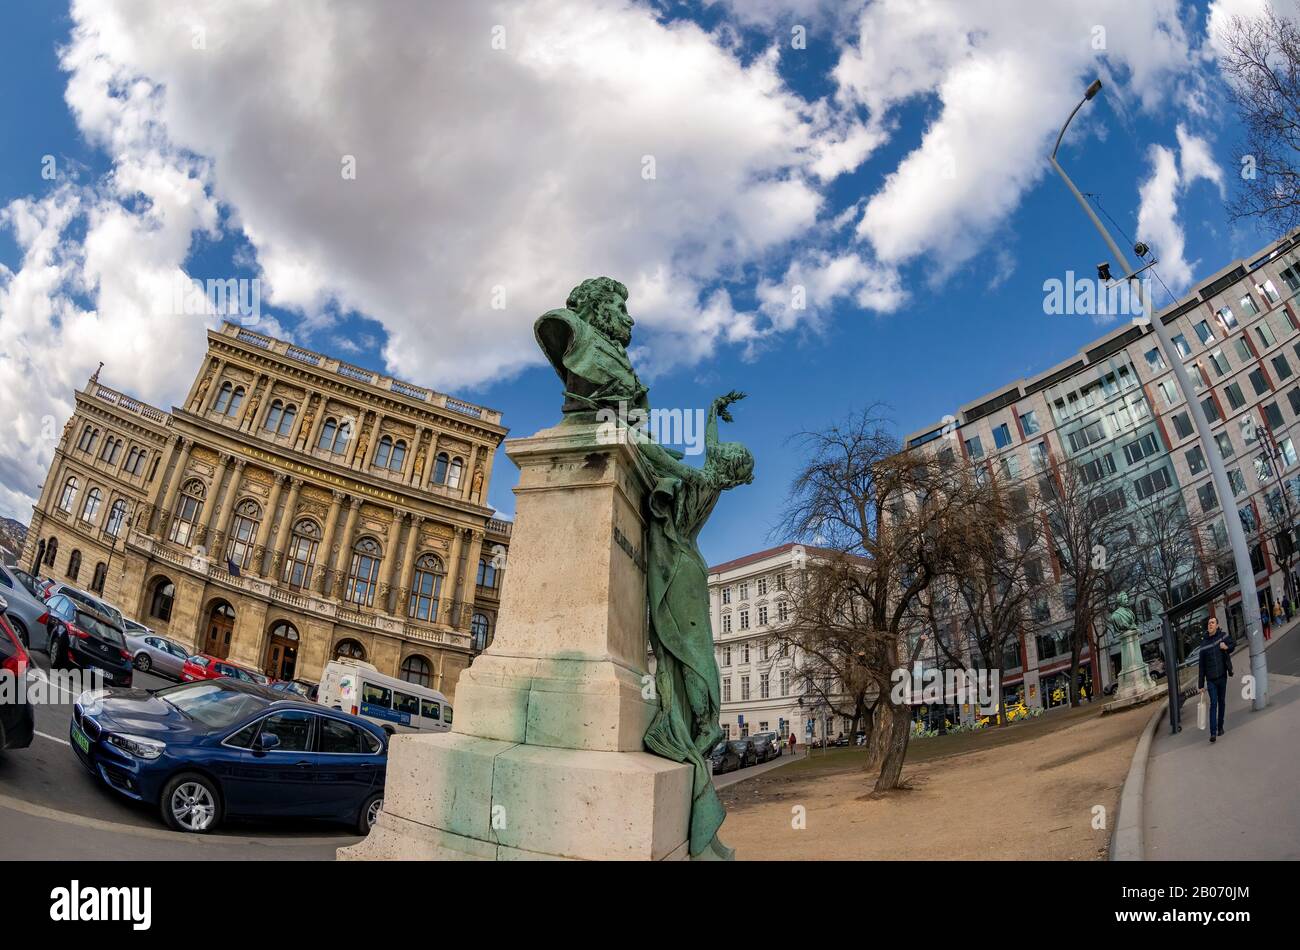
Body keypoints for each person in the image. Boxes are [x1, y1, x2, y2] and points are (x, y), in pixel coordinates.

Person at [1197, 616, 1234, 743]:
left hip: (1222, 677)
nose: (1210, 625)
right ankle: (1213, 733)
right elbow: (1201, 666)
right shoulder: (1203, 644)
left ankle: (1220, 727)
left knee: (1221, 701)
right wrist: (1201, 685)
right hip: (1211, 680)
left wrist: (1226, 647)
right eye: (1209, 623)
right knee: (1214, 703)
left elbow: (1232, 644)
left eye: (1212, 623)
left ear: (1217, 625)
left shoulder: (1223, 637)